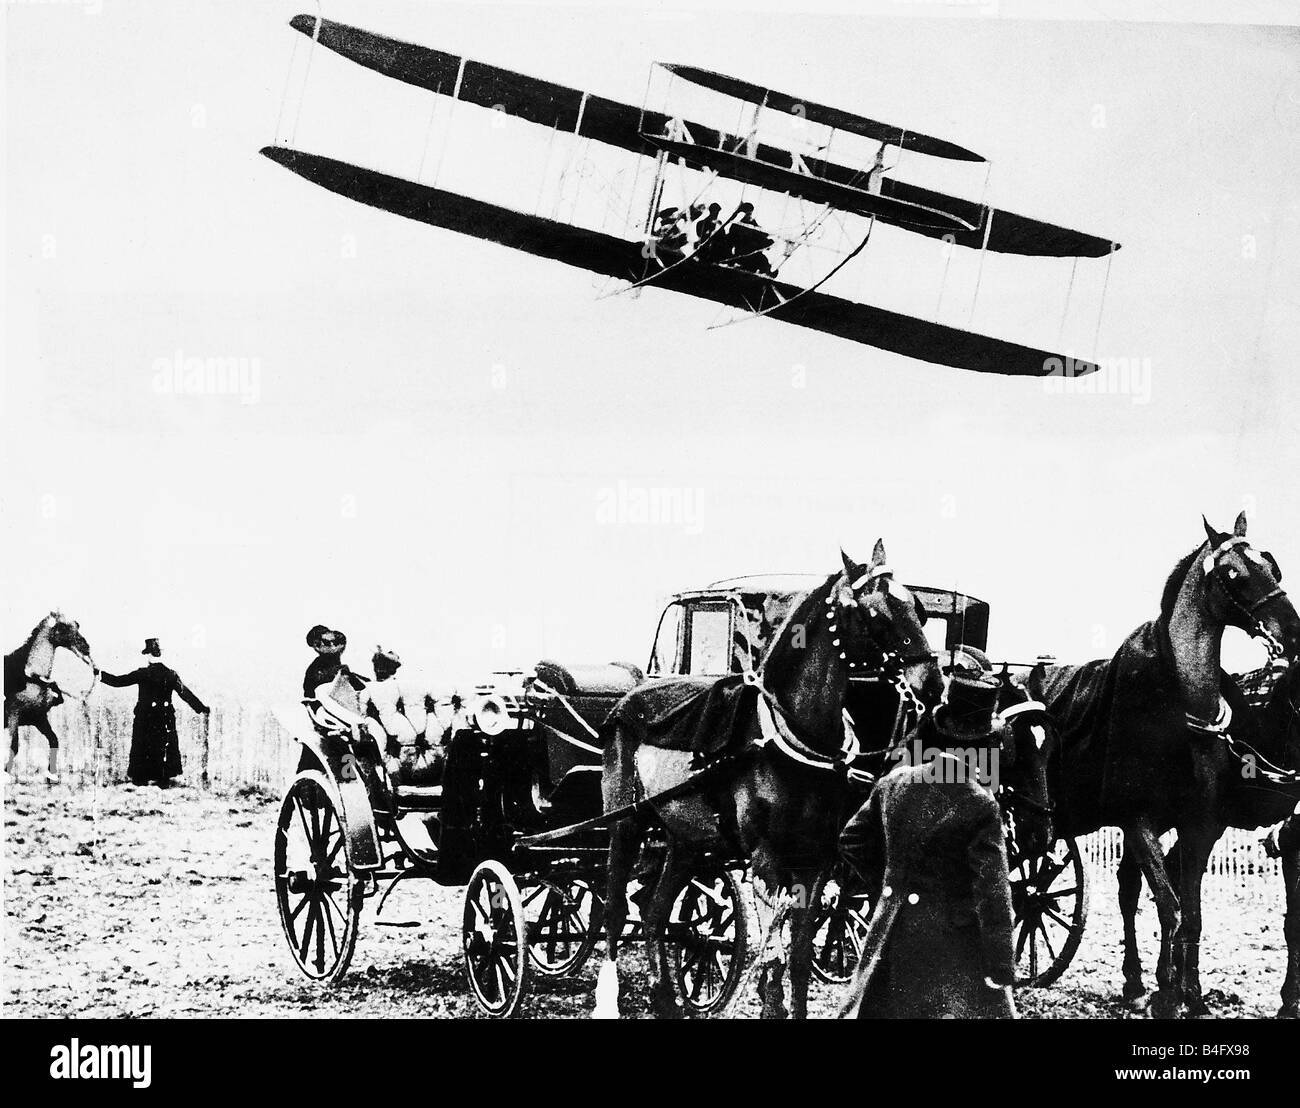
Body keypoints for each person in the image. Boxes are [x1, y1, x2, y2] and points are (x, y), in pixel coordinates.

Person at [837, 672, 1017, 1018]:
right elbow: (993, 894)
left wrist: (891, 885)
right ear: (983, 747)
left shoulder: (894, 784)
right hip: (952, 944)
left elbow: (851, 839)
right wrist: (1000, 968)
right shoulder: (980, 805)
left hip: (888, 932)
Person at [100, 638, 209, 788]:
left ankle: (141, 779)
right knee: (163, 745)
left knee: (142, 745)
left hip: (145, 717)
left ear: (148, 655)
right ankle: (162, 778)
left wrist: (99, 674)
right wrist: (201, 708)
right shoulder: (171, 674)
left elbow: (118, 681)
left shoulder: (143, 673)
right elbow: (185, 694)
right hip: (164, 717)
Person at [723, 203, 775, 275]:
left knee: (763, 260)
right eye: (747, 213)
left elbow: (760, 237)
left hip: (752, 254)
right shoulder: (737, 226)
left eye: (750, 213)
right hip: (742, 254)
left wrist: (768, 241)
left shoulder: (754, 225)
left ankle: (767, 273)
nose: (749, 215)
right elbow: (732, 240)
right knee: (761, 260)